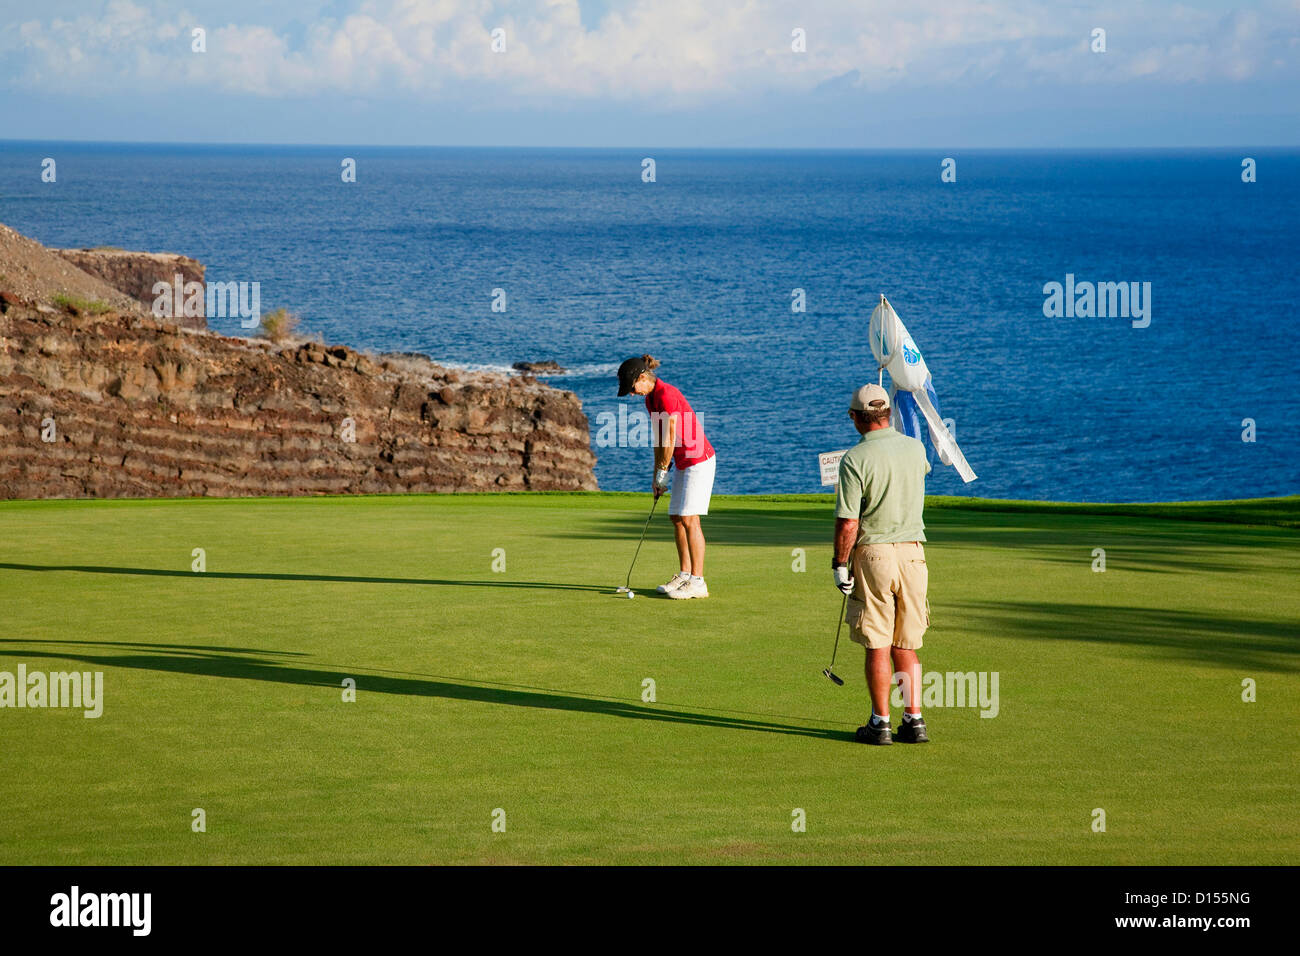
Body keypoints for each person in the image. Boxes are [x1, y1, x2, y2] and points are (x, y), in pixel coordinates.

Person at [832, 383, 932, 745]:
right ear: (887, 414)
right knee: (905, 644)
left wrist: (839, 564)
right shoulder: (915, 447)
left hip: (874, 554)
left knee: (877, 643)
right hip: (913, 553)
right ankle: (915, 720)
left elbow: (848, 522)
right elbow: (921, 470)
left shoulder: (855, 459)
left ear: (857, 418)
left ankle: (880, 723)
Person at [617, 355, 716, 599]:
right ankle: (685, 574)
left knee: (689, 518)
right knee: (676, 517)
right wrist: (656, 476)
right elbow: (659, 440)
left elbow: (670, 437)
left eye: (632, 388)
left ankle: (698, 581)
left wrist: (663, 471)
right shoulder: (650, 400)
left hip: (698, 460)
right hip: (683, 461)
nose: (632, 394)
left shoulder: (666, 394)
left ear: (642, 378)